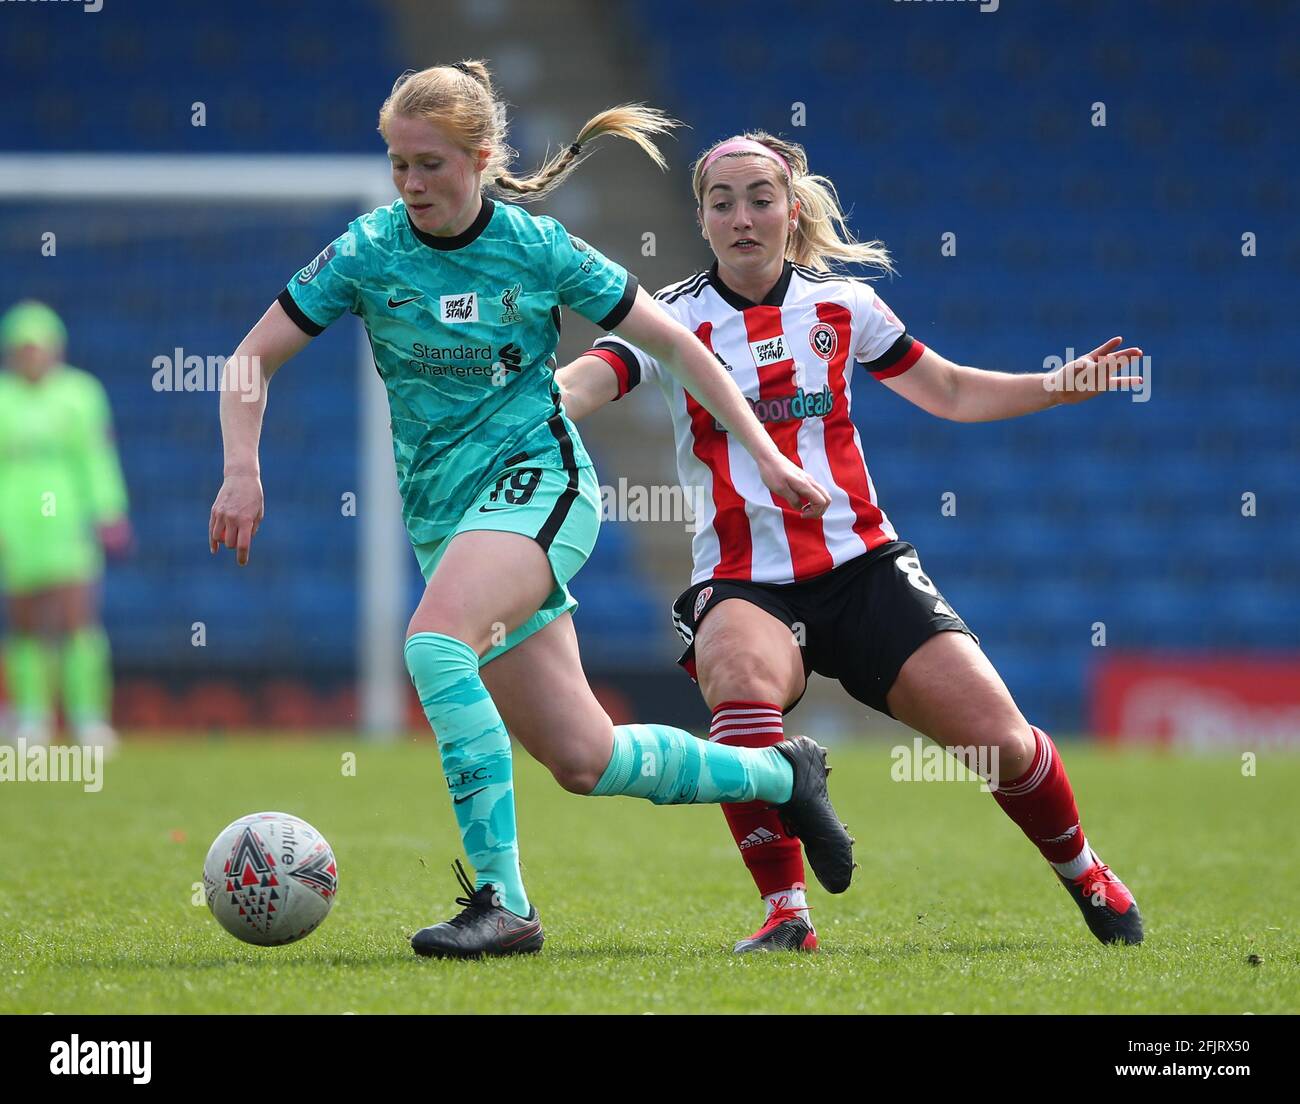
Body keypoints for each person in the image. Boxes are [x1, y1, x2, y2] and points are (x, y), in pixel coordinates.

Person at [208, 65, 853, 961]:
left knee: (433, 647)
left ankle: (502, 905)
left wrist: (768, 452)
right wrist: (242, 469)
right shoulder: (366, 251)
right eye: (398, 165)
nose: (410, 185)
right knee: (584, 757)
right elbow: (250, 360)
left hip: (539, 486)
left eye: (429, 165)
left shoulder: (538, 248)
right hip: (445, 519)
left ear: (479, 160)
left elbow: (676, 342)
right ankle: (782, 771)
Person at [557, 131, 1146, 952]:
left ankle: (1085, 872)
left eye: (759, 198)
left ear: (791, 211)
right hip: (744, 580)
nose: (742, 217)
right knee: (737, 691)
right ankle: (787, 914)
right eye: (721, 202)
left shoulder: (844, 306)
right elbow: (593, 377)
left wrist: (1057, 385)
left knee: (1002, 744)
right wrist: (539, 402)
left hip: (864, 566)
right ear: (700, 217)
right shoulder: (671, 318)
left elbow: (945, 390)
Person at [0, 300, 131, 752]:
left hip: (67, 519)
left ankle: (87, 717)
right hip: (14, 519)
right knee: (24, 621)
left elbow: (95, 457)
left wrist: (109, 510)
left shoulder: (80, 394)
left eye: (39, 347)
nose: (31, 356)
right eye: (23, 348)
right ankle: (31, 716)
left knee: (78, 618)